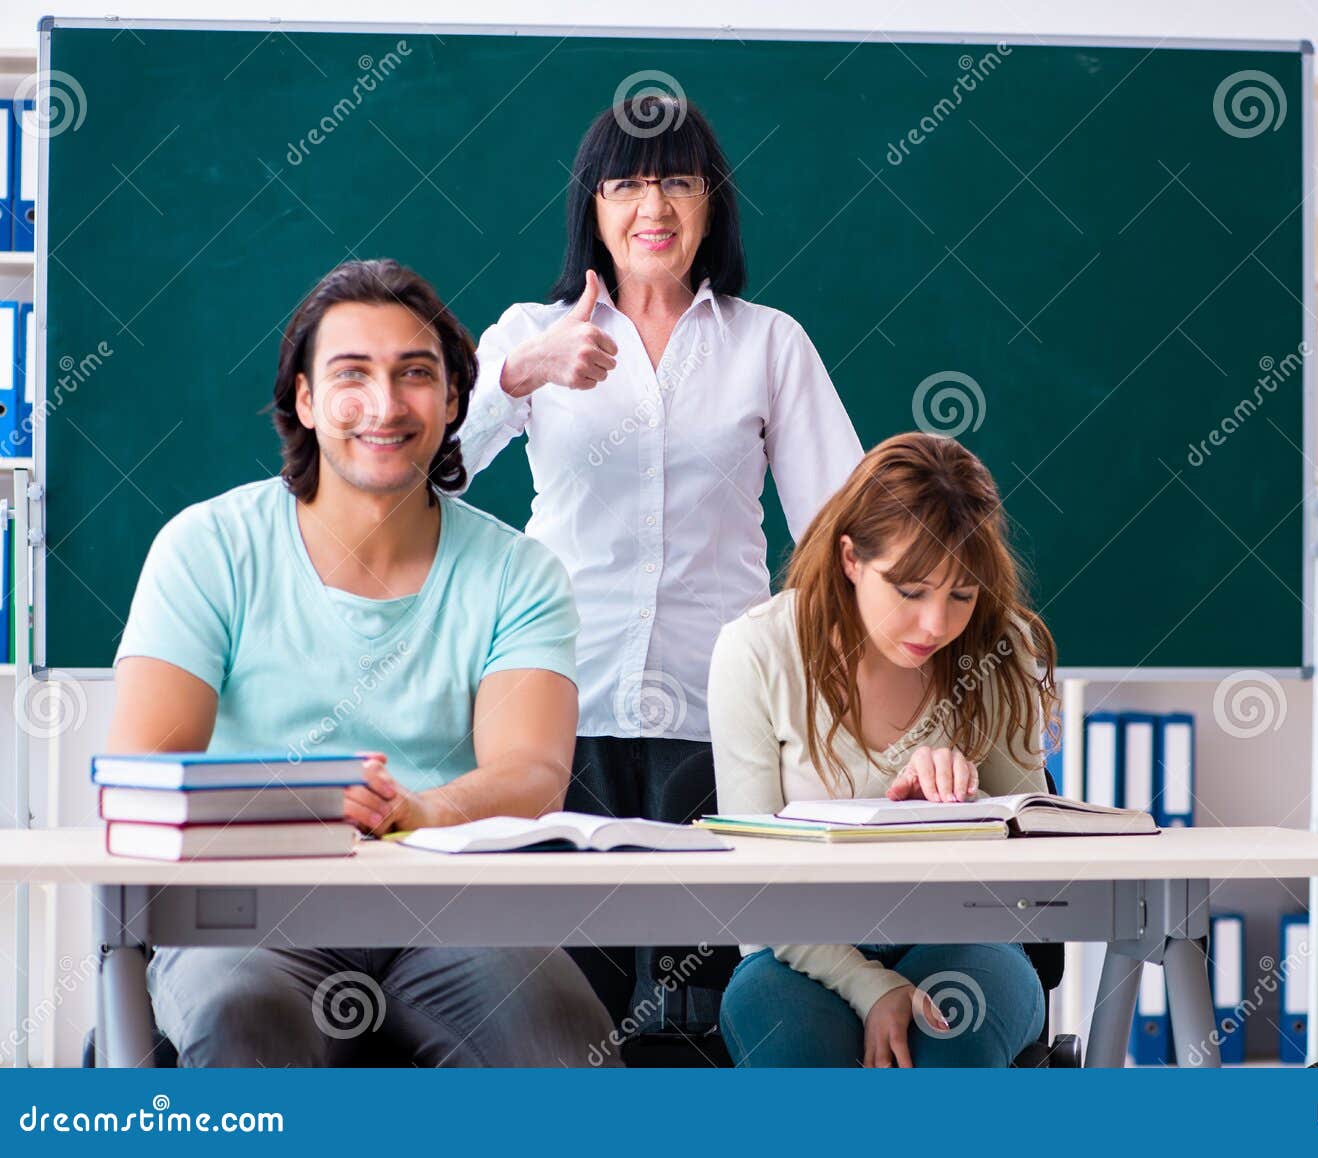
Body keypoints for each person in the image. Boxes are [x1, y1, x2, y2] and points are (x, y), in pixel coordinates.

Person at [104, 258, 614, 1067]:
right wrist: (298, 802)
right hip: (248, 915)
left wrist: (421, 809)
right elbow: (145, 767)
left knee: (557, 1035)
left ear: (455, 399)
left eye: (416, 374)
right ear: (305, 401)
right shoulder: (207, 548)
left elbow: (532, 774)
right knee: (245, 1019)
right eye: (352, 375)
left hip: (450, 912)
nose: (385, 405)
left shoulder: (520, 573)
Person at [457, 94, 862, 1024]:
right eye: (627, 186)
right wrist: (521, 375)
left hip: (720, 712)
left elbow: (843, 530)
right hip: (559, 702)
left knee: (704, 1002)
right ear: (592, 208)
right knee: (561, 1000)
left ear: (711, 205)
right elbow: (430, 474)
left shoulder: (768, 342)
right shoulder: (528, 334)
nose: (654, 207)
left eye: (679, 183)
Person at [708, 432, 1061, 1067]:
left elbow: (1031, 867)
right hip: (796, 953)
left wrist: (964, 807)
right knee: (798, 1053)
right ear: (851, 558)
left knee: (950, 1043)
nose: (936, 624)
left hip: (965, 938)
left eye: (962, 594)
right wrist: (870, 986)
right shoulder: (757, 650)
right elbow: (756, 888)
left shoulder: (998, 645)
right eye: (910, 590)